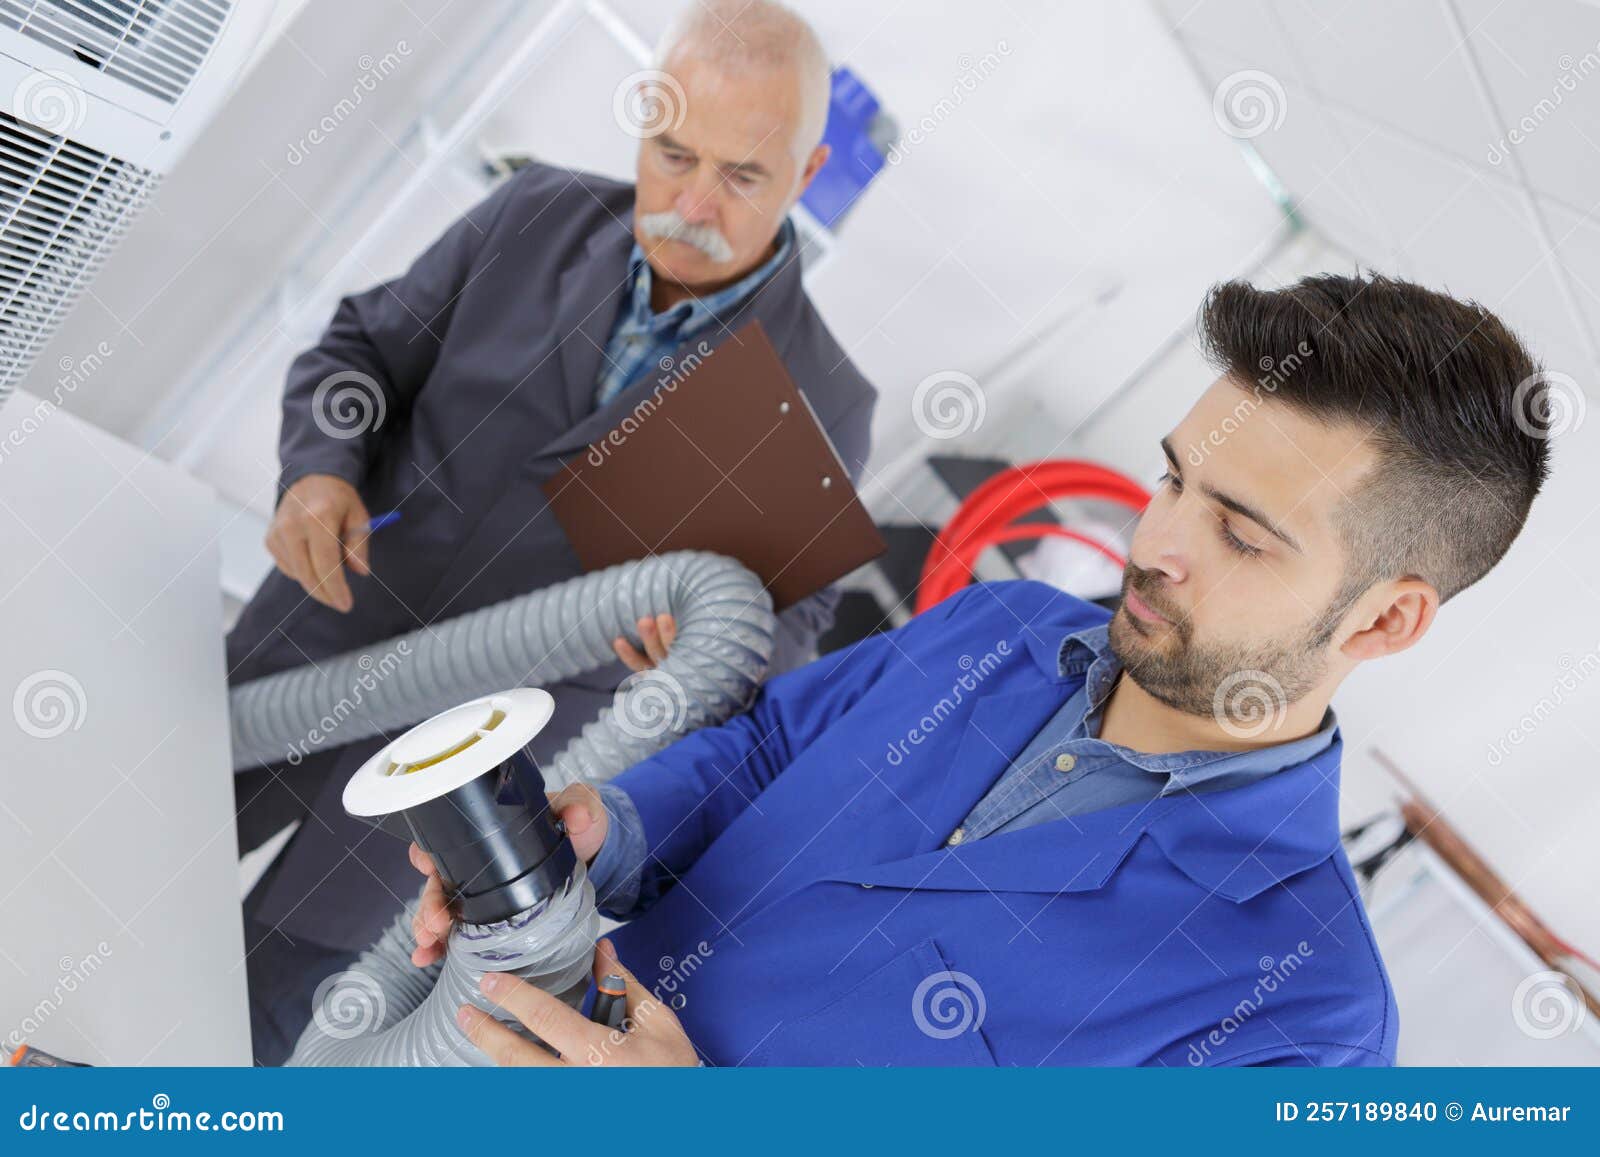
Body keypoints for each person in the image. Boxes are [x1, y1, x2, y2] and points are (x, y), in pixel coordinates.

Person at [412, 273, 1550, 1066]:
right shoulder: (996, 628)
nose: (1154, 547)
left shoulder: (1299, 1017)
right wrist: (607, 830)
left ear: (1386, 620)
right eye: (1171, 484)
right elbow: (765, 749)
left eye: (1242, 534)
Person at [231, 0, 874, 1065]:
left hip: (459, 794)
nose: (693, 203)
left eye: (743, 177)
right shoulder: (529, 213)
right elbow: (358, 352)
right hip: (308, 645)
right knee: (77, 877)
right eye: (674, 154)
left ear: (806, 176)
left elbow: (779, 644)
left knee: (261, 1020)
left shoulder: (824, 398)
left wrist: (703, 659)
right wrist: (315, 468)